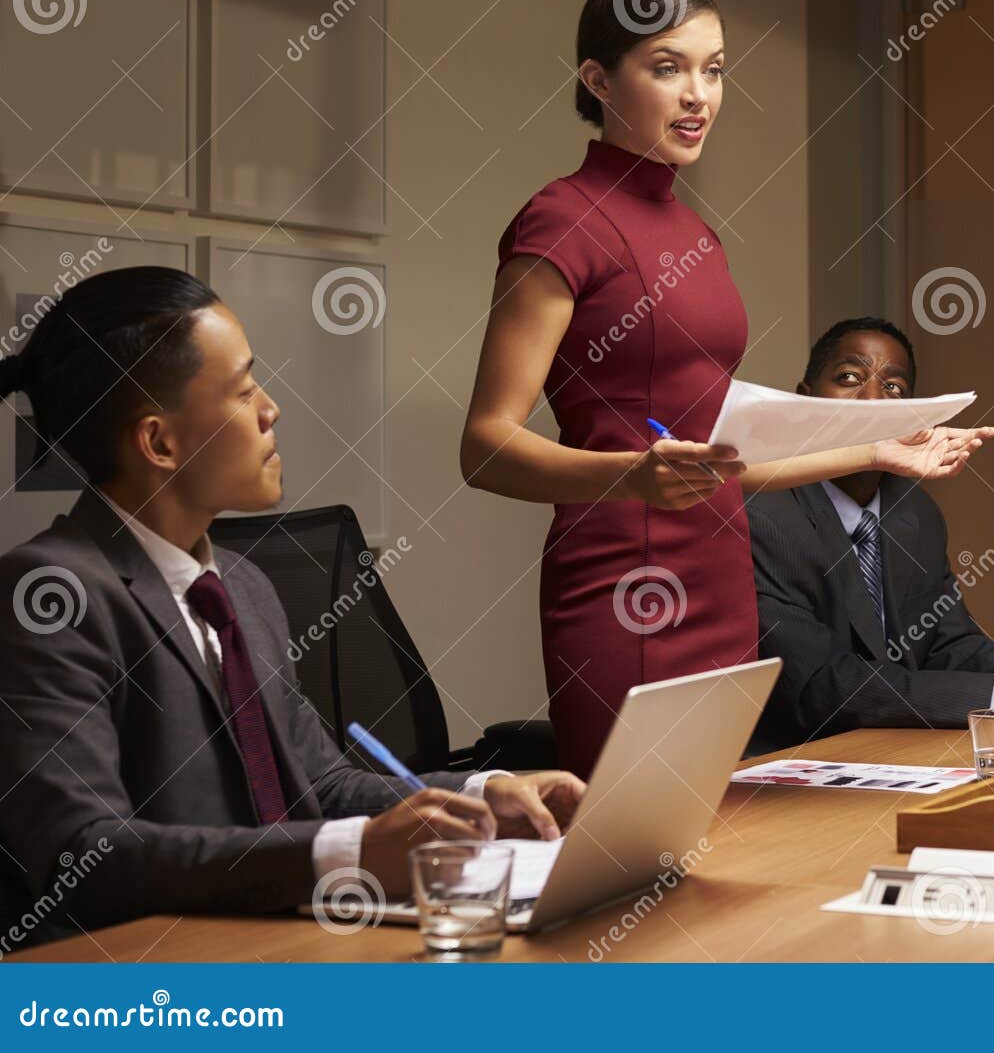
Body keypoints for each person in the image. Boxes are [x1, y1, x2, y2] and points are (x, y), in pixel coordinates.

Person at [460, 0, 994, 777]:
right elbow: (485, 446)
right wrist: (631, 477)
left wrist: (876, 453)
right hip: (625, 587)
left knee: (719, 826)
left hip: (721, 585)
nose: (698, 95)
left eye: (713, 70)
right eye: (667, 67)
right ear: (599, 81)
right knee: (634, 830)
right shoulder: (562, 220)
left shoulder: (696, 236)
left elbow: (719, 464)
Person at [0, 267, 585, 948]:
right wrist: (343, 853)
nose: (270, 409)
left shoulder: (242, 586)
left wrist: (483, 796)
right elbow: (83, 855)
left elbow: (320, 784)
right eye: (243, 389)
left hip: (283, 941)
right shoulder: (50, 595)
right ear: (158, 442)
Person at [744, 318, 994, 753]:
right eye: (849, 378)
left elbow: (948, 643)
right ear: (806, 399)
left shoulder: (915, 512)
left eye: (893, 387)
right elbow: (822, 687)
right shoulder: (764, 516)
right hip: (789, 764)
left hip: (891, 752)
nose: (872, 400)